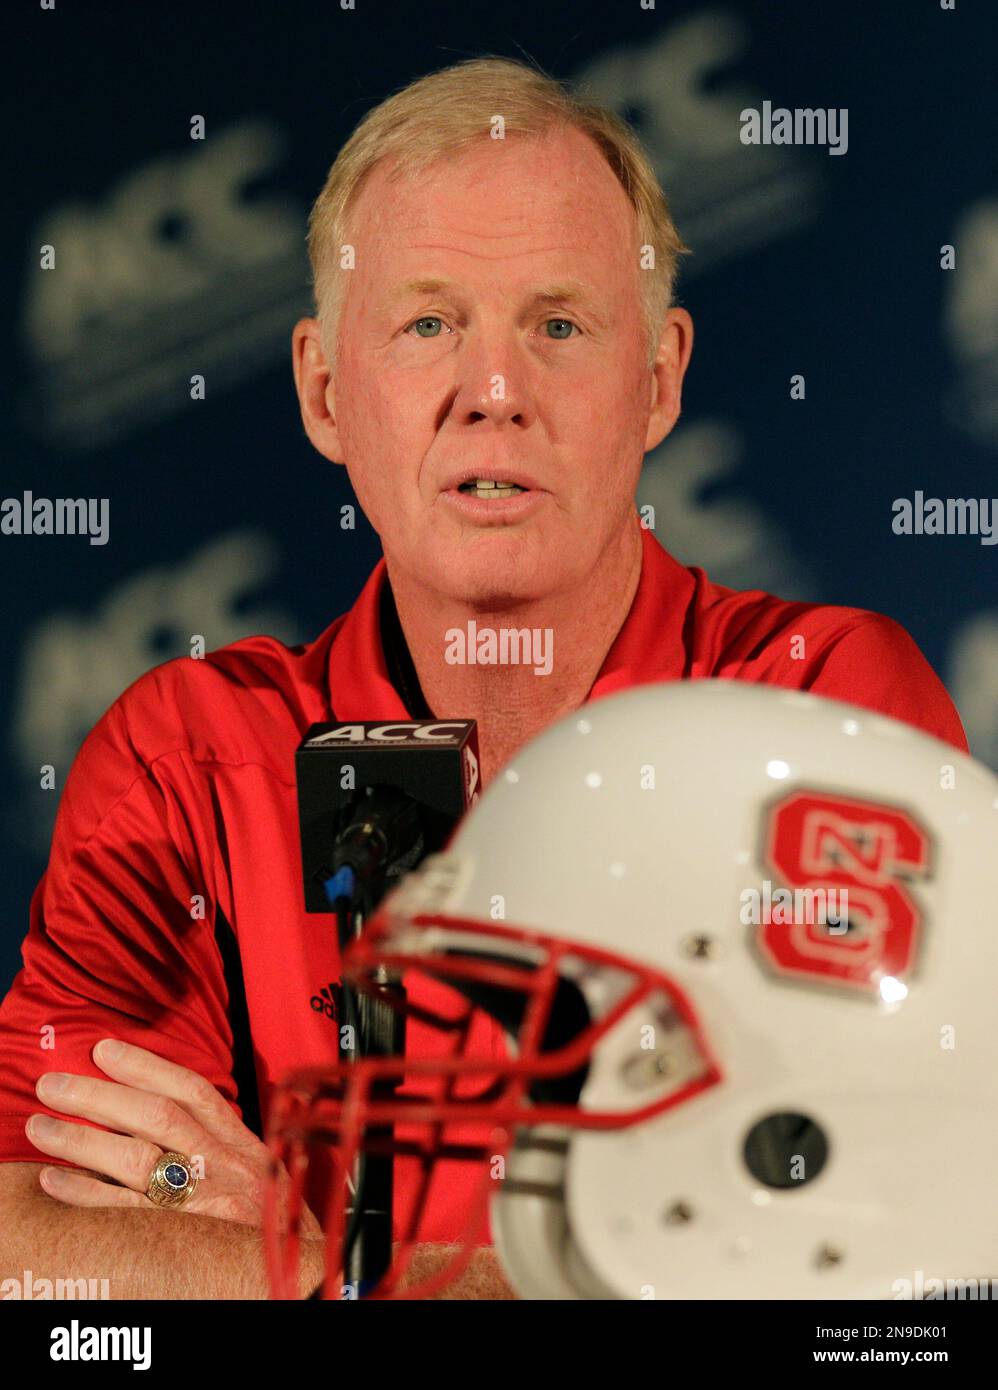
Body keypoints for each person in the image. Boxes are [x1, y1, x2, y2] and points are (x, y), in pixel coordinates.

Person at [0, 57, 967, 1301]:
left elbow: (825, 1256)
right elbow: (28, 1241)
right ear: (323, 389)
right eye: (427, 324)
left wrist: (300, 1264)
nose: (494, 394)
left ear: (659, 377)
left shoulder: (816, 707)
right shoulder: (183, 761)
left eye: (557, 325)